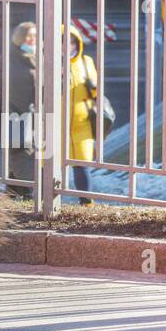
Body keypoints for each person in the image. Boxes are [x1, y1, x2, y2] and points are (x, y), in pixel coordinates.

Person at [0, 22, 37, 196]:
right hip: (12, 118)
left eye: (35, 36)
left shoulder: (41, 58)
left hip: (36, 119)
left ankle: (12, 195)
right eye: (29, 36)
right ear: (19, 37)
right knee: (21, 158)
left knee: (19, 162)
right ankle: (32, 195)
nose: (32, 40)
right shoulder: (6, 59)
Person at [65, 26, 103, 204]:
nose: (68, 45)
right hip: (53, 122)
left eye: (72, 41)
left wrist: (93, 87)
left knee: (82, 163)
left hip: (82, 123)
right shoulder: (47, 61)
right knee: (47, 164)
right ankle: (44, 201)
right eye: (64, 41)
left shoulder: (86, 62)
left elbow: (96, 92)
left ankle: (86, 203)